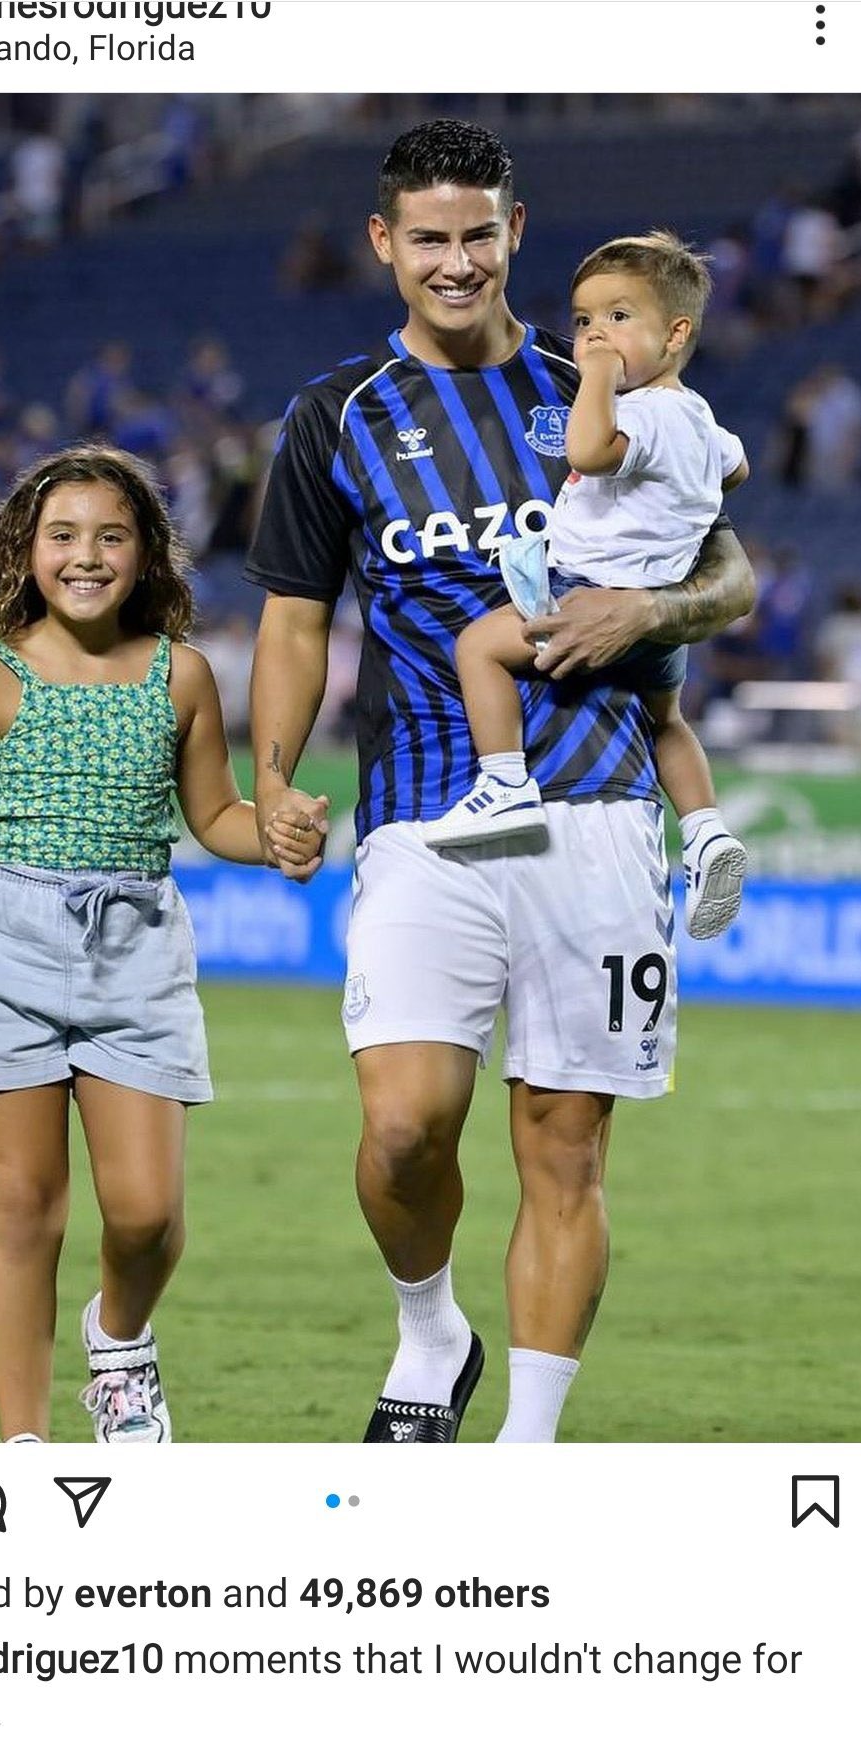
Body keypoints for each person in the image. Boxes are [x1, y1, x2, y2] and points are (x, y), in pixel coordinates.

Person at [247, 120, 754, 1445]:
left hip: (598, 810)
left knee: (563, 1143)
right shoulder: (338, 415)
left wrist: (644, 615)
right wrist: (272, 777)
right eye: (430, 238)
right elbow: (297, 621)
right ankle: (432, 1326)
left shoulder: (612, 389)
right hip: (427, 811)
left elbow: (730, 575)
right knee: (407, 1122)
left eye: (478, 234)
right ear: (384, 244)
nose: (457, 261)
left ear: (513, 232)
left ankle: (524, 1455)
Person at [0, 445, 321, 1445]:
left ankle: (119, 1345)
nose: (86, 556)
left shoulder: (183, 676)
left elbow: (216, 818)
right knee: (24, 1212)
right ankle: (25, 1446)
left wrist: (276, 834)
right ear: (24, 553)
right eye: (63, 536)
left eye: (110, 536)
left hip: (136, 955)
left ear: (146, 553)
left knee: (147, 1213)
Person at [423, 230, 750, 941]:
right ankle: (702, 831)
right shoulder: (697, 418)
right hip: (657, 624)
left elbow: (586, 451)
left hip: (586, 595)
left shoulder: (644, 413)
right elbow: (735, 467)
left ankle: (503, 780)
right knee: (666, 722)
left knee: (478, 647)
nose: (595, 334)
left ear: (675, 334)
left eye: (618, 319)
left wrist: (595, 376)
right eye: (582, 321)